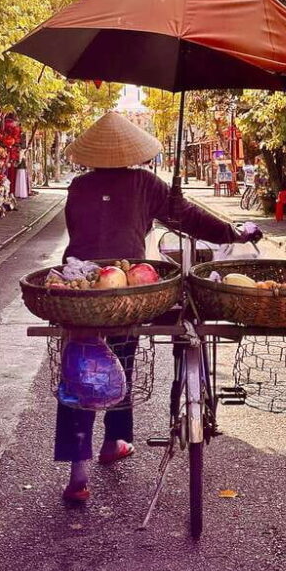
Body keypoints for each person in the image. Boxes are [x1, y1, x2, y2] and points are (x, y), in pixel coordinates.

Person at [56, 111, 245, 501]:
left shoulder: (78, 186)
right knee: (120, 356)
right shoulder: (144, 182)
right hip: (127, 290)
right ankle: (113, 442)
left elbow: (78, 231)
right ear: (131, 151)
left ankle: (78, 472)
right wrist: (233, 232)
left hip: (79, 284)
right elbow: (187, 216)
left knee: (80, 363)